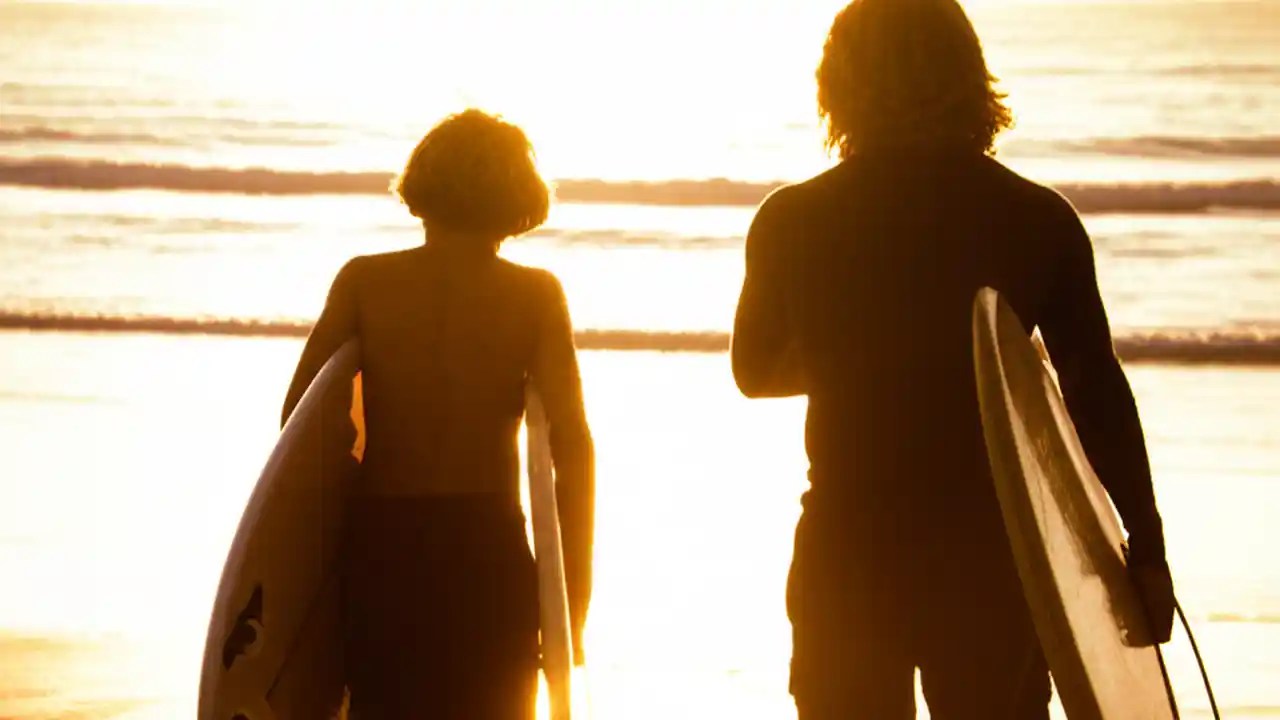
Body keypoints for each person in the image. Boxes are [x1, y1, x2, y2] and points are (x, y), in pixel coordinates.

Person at [730, 0, 1173, 717]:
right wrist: (1145, 551)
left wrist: (865, 362)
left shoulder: (793, 219)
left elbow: (753, 373)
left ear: (837, 81)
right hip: (992, 553)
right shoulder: (1036, 217)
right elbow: (1095, 396)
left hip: (849, 545)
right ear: (968, 73)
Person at [282, 109, 594, 720]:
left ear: (420, 187)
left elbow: (302, 426)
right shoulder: (535, 295)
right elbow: (572, 450)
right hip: (487, 554)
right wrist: (570, 599)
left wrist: (313, 575)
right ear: (517, 199)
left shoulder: (364, 282)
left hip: (382, 551)